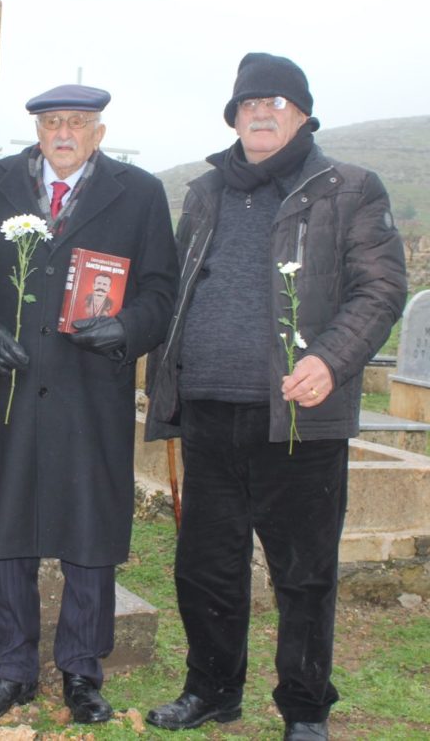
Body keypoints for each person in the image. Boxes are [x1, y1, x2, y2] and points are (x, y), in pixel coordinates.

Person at [144, 54, 407, 741]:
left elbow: (380, 289)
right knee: (206, 567)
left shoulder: (348, 189)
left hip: (298, 416)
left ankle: (305, 707)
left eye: (277, 103)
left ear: (303, 115)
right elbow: (177, 286)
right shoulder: (204, 192)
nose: (261, 113)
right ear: (232, 116)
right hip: (207, 411)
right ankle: (211, 690)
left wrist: (330, 356)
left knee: (303, 574)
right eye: (248, 103)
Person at [0, 85, 178, 725]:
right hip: (15, 388)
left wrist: (128, 329)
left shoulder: (139, 193)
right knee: (11, 533)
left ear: (99, 132)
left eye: (78, 122)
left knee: (90, 533)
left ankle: (82, 669)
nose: (65, 133)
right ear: (39, 130)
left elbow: (162, 289)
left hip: (92, 389)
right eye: (54, 122)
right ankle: (12, 669)